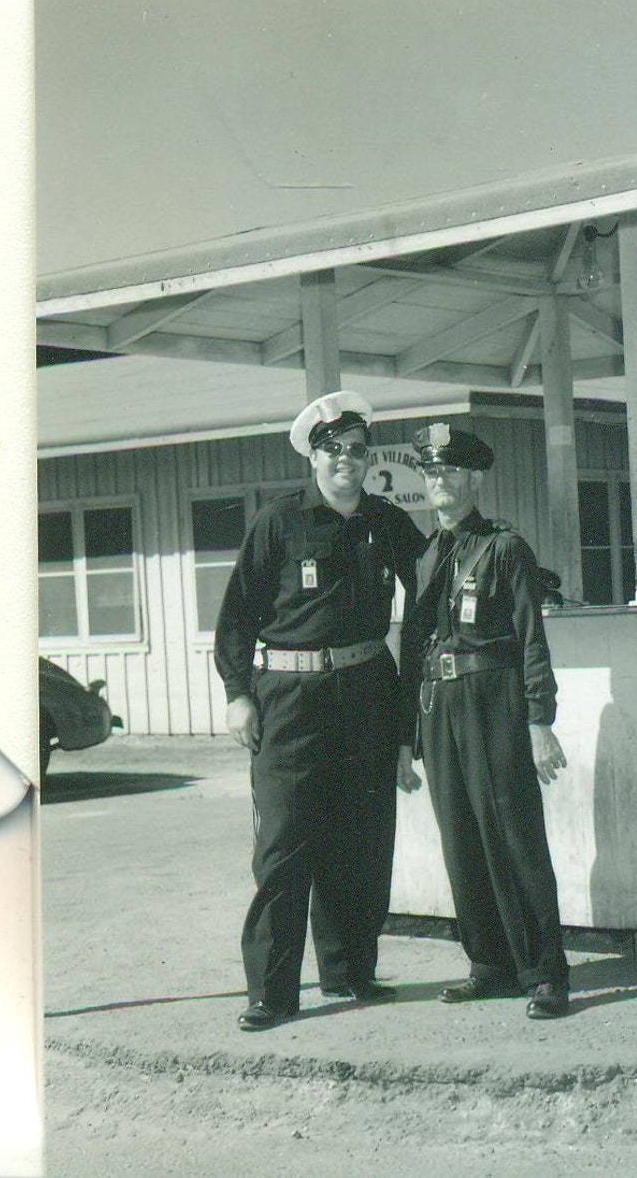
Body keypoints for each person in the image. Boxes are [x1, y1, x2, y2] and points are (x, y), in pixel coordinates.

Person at [215, 390, 428, 1032]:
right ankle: (273, 994)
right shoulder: (279, 521)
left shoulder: (386, 522)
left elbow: (433, 579)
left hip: (365, 692)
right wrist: (236, 692)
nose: (346, 461)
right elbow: (237, 614)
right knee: (283, 846)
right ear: (314, 457)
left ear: (368, 459)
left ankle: (349, 972)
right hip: (288, 700)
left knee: (360, 838)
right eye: (333, 450)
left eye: (358, 451)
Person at [397, 422, 571, 1020]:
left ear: (473, 478)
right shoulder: (425, 557)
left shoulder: (504, 548)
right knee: (461, 838)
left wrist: (539, 719)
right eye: (429, 471)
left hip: (493, 699)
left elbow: (530, 638)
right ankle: (490, 964)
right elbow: (412, 643)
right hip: (439, 704)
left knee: (513, 835)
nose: (437, 481)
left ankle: (545, 971)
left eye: (447, 470)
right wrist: (407, 733)